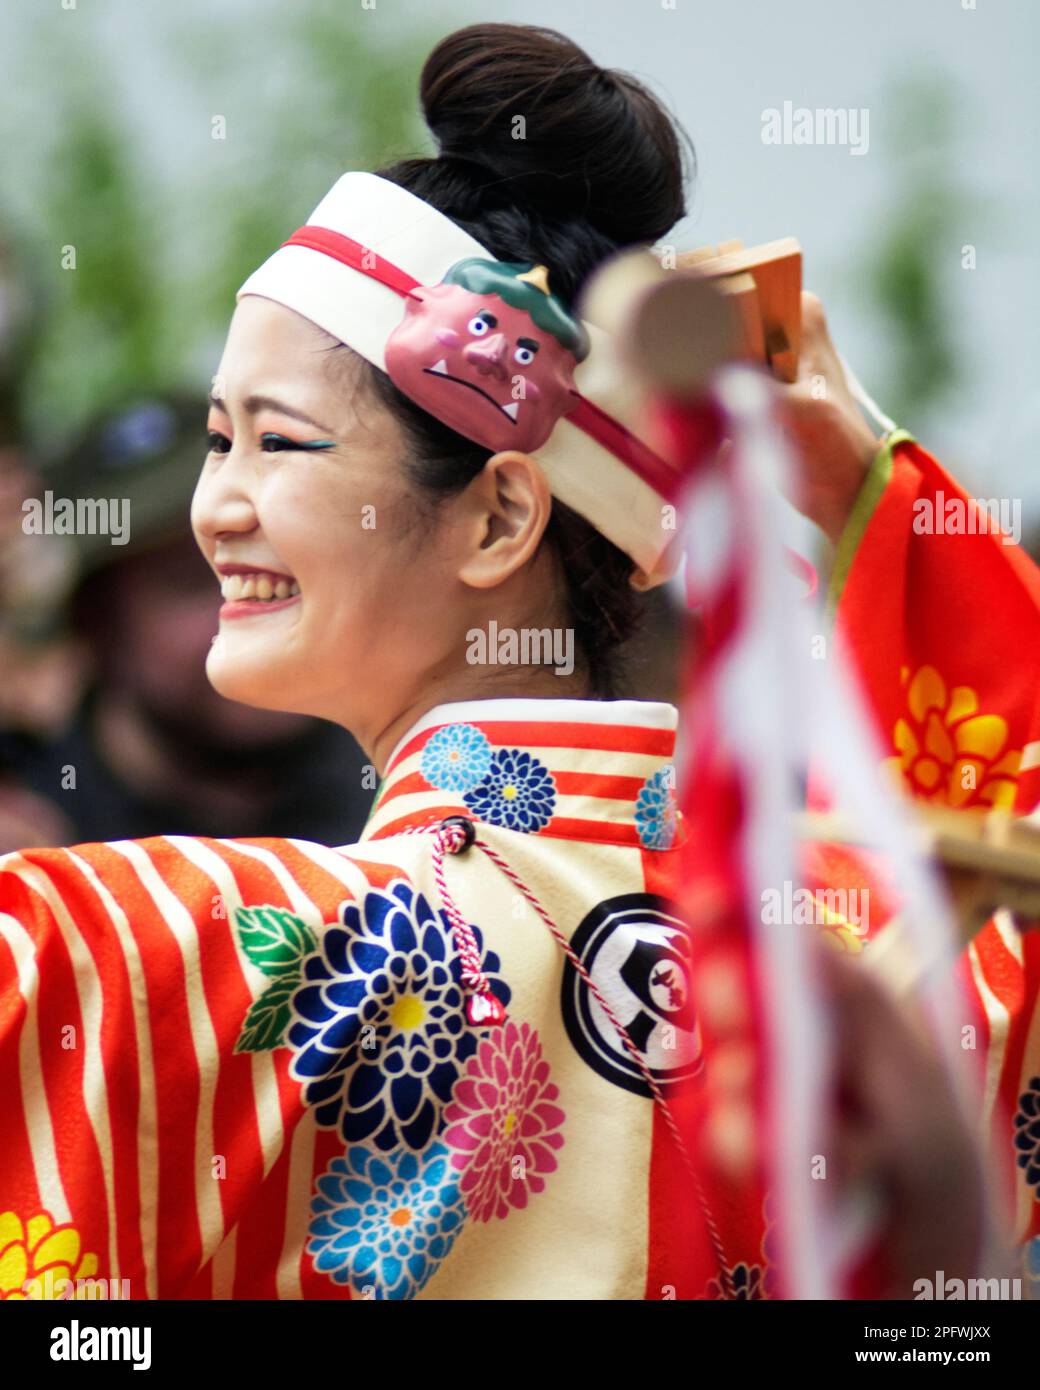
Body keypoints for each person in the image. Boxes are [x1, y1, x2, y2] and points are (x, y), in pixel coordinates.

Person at [0, 23, 1035, 1302]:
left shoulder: (197, 957)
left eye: (281, 443)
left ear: (498, 517)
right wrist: (866, 471)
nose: (217, 503)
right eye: (219, 439)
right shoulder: (904, 948)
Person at [0, 397, 375, 851]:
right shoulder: (35, 840)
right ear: (97, 625)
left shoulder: (408, 794)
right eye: (193, 581)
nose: (253, 599)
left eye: (278, 558)